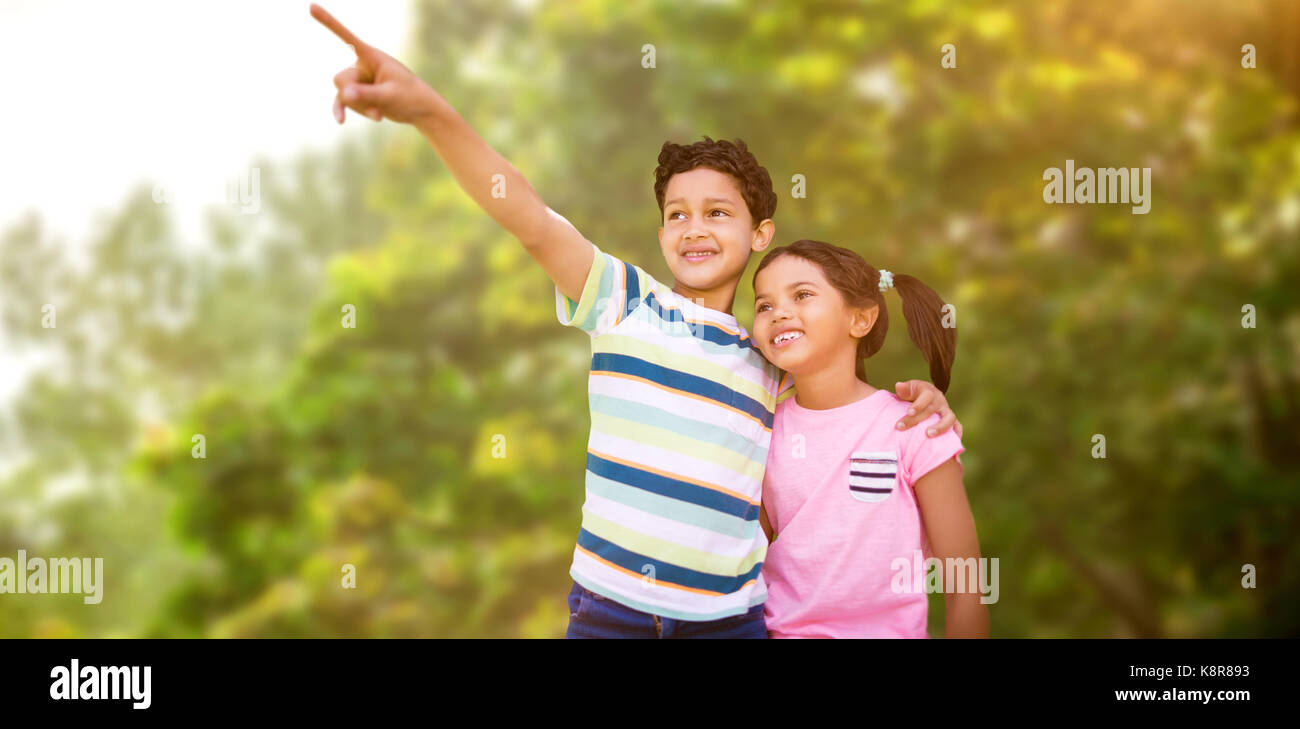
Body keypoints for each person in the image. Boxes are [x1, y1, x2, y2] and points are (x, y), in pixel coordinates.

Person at [310, 5, 961, 638]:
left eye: (717, 212)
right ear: (659, 233)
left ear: (760, 232)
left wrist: (922, 399)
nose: (694, 228)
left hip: (730, 621)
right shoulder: (622, 299)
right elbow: (527, 215)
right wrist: (428, 108)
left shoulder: (768, 357)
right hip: (610, 610)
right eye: (677, 214)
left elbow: (838, 409)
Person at [751, 240, 989, 638]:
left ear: (860, 320)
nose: (780, 314)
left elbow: (966, 588)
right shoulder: (760, 431)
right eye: (764, 305)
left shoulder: (916, 426)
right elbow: (746, 559)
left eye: (803, 295)